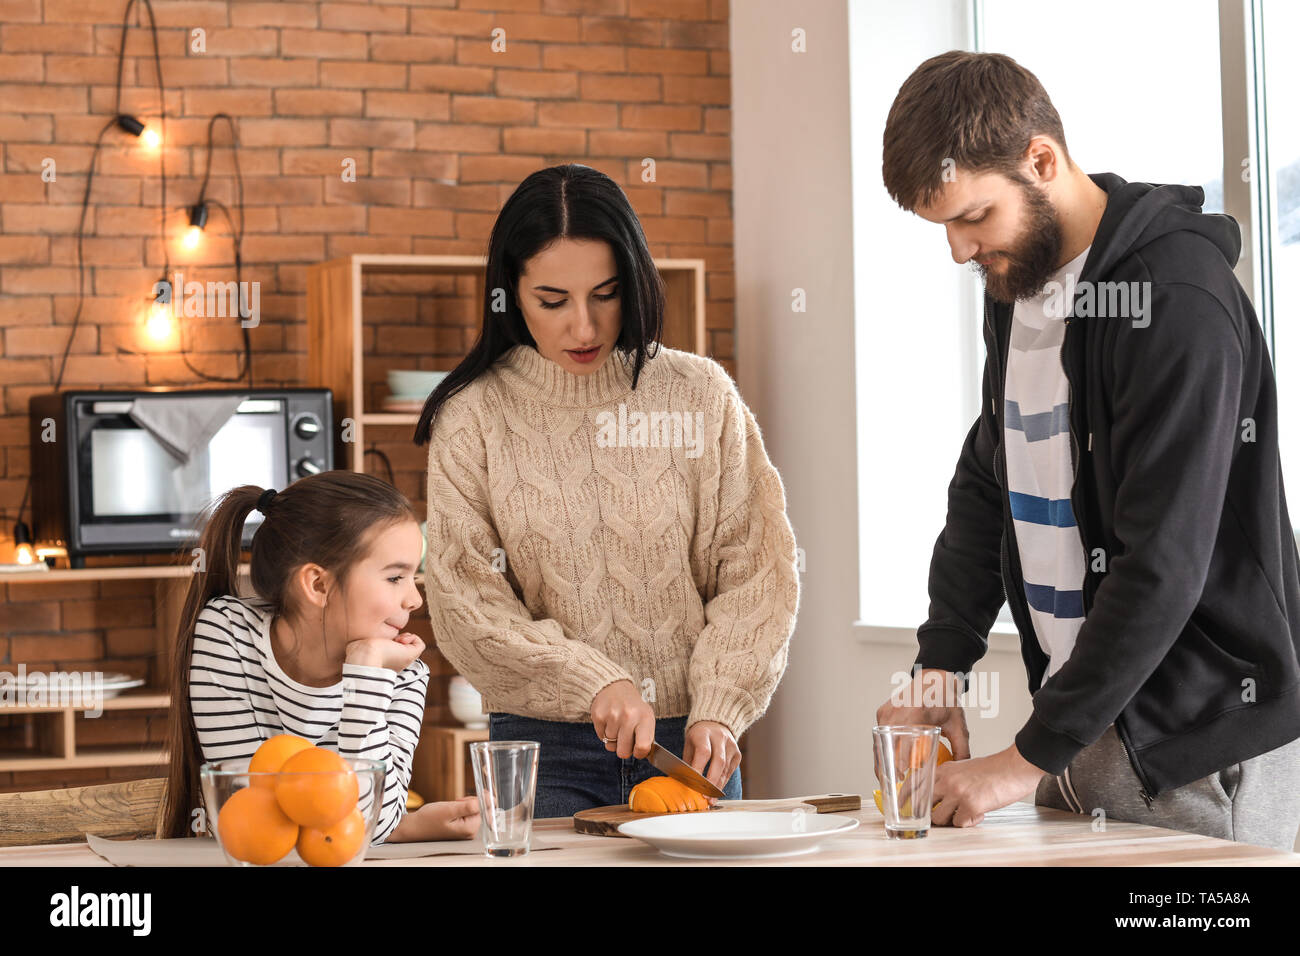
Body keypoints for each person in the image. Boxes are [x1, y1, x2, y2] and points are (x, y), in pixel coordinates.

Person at [875, 50, 1300, 851]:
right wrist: (942, 662)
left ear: (1042, 159)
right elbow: (988, 478)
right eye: (944, 229)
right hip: (1080, 739)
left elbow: (1163, 563)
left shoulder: (1176, 300)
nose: (960, 252)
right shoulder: (1019, 287)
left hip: (1199, 753)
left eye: (972, 219)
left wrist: (1019, 762)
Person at [414, 163, 801, 817]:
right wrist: (592, 680)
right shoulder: (474, 418)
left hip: (692, 751)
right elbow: (465, 604)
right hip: (543, 754)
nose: (585, 328)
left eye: (606, 293)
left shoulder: (699, 395)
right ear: (509, 293)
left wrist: (722, 705)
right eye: (553, 300)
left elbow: (756, 572)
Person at [161, 470, 480, 844]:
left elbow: (365, 829)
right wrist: (400, 826)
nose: (414, 599)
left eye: (414, 577)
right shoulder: (227, 635)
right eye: (396, 578)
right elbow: (252, 821)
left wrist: (366, 671)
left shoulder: (401, 674)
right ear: (318, 584)